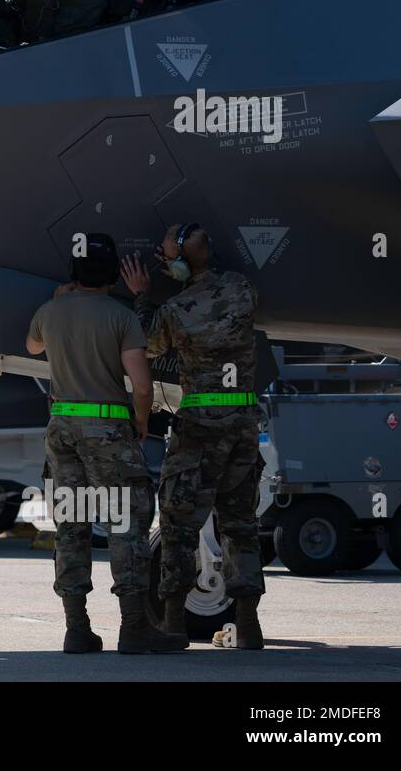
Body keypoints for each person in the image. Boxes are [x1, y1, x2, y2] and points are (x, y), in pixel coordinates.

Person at [27, 234, 187, 654]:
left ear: (72, 274)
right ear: (114, 274)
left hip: (61, 432)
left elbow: (33, 346)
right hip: (108, 432)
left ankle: (76, 629)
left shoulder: (50, 312)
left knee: (71, 526)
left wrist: (59, 300)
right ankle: (134, 627)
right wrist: (139, 421)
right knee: (126, 523)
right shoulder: (121, 317)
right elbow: (142, 384)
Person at [121, 224, 266, 650]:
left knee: (179, 525)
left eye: (165, 254)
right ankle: (248, 624)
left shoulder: (176, 309)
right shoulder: (242, 288)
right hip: (242, 421)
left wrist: (143, 294)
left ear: (180, 264)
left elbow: (146, 344)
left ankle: (173, 624)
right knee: (239, 526)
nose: (162, 258)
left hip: (201, 425)